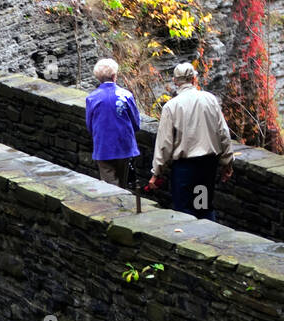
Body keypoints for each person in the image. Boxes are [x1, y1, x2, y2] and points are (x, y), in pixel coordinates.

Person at [144, 62, 233, 220]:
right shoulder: (210, 99)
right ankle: (207, 239)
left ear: (175, 81)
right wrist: (227, 162)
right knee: (202, 206)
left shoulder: (171, 107)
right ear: (194, 79)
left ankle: (190, 242)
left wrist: (156, 173)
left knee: (184, 211)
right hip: (207, 166)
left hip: (185, 169)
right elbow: (223, 133)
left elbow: (164, 145)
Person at [84, 58, 141, 187]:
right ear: (115, 76)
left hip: (103, 146)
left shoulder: (92, 98)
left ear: (98, 78)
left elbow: (90, 125)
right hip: (124, 145)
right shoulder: (126, 95)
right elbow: (136, 122)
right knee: (123, 182)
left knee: (109, 184)